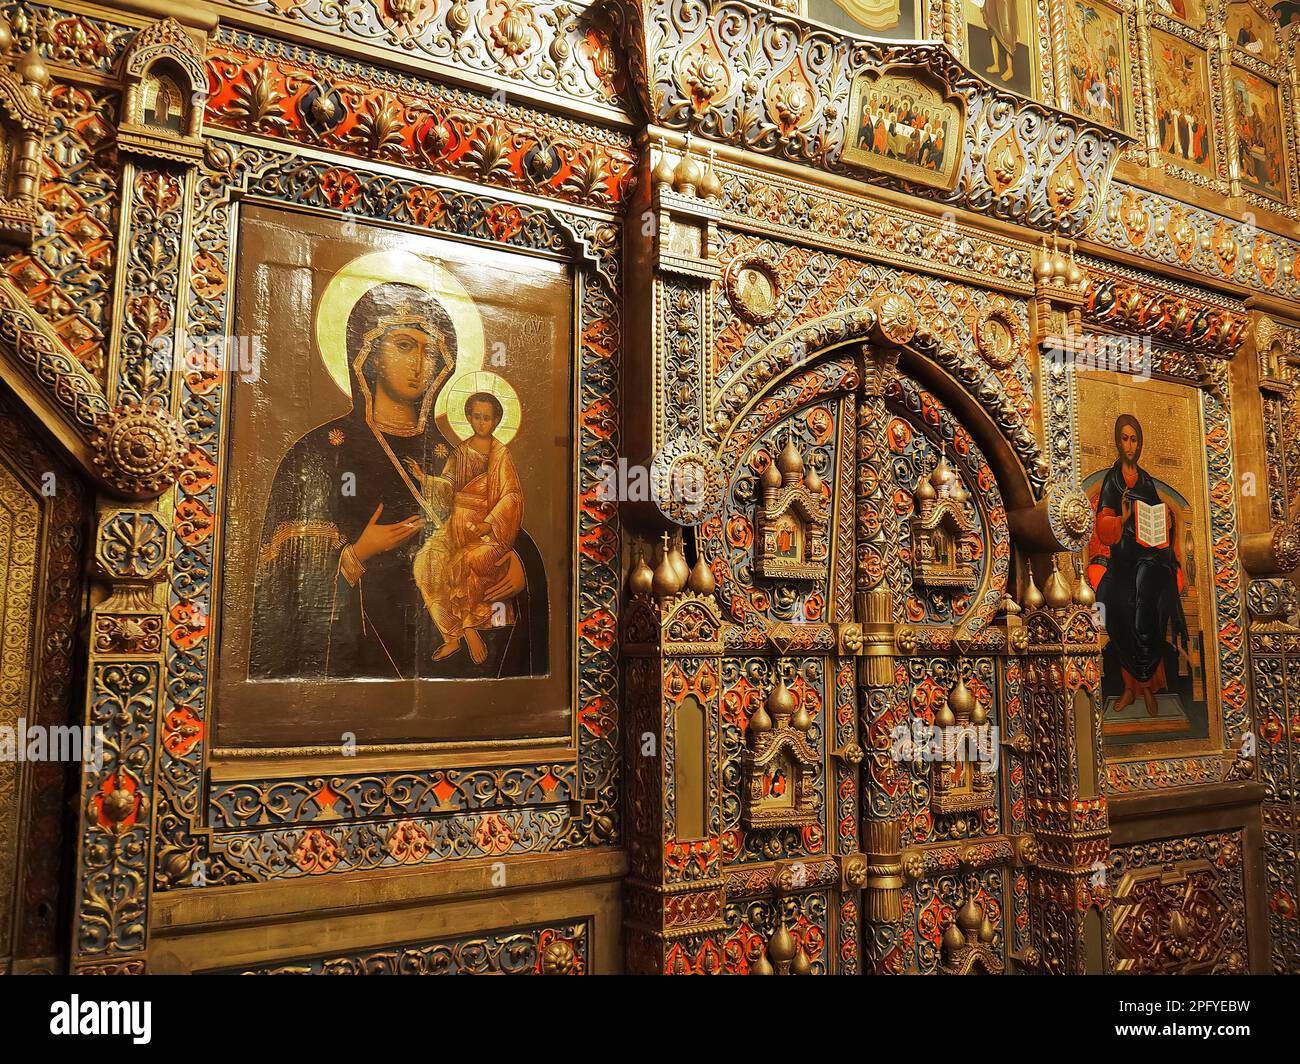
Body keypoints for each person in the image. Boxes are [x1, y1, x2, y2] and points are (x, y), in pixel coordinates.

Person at [409, 392, 526, 665]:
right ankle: (452, 635)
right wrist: (423, 479)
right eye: (477, 417)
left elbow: (512, 496)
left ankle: (470, 628)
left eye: (487, 418)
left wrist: (491, 521)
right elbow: (448, 487)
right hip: (456, 524)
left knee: (466, 562)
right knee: (426, 564)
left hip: (486, 527)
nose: (481, 423)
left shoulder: (501, 455)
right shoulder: (460, 452)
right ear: (469, 417)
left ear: (496, 420)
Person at [1085, 415, 1189, 716]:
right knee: (1120, 605)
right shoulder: (1112, 481)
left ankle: (1148, 688)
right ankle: (1131, 688)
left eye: (1134, 439)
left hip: (1151, 558)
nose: (1129, 445)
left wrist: (1162, 526)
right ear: (1118, 441)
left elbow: (1159, 520)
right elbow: (1103, 528)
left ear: (1139, 443)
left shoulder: (1145, 481)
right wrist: (1125, 517)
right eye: (1125, 438)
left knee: (1153, 603)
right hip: (1122, 562)